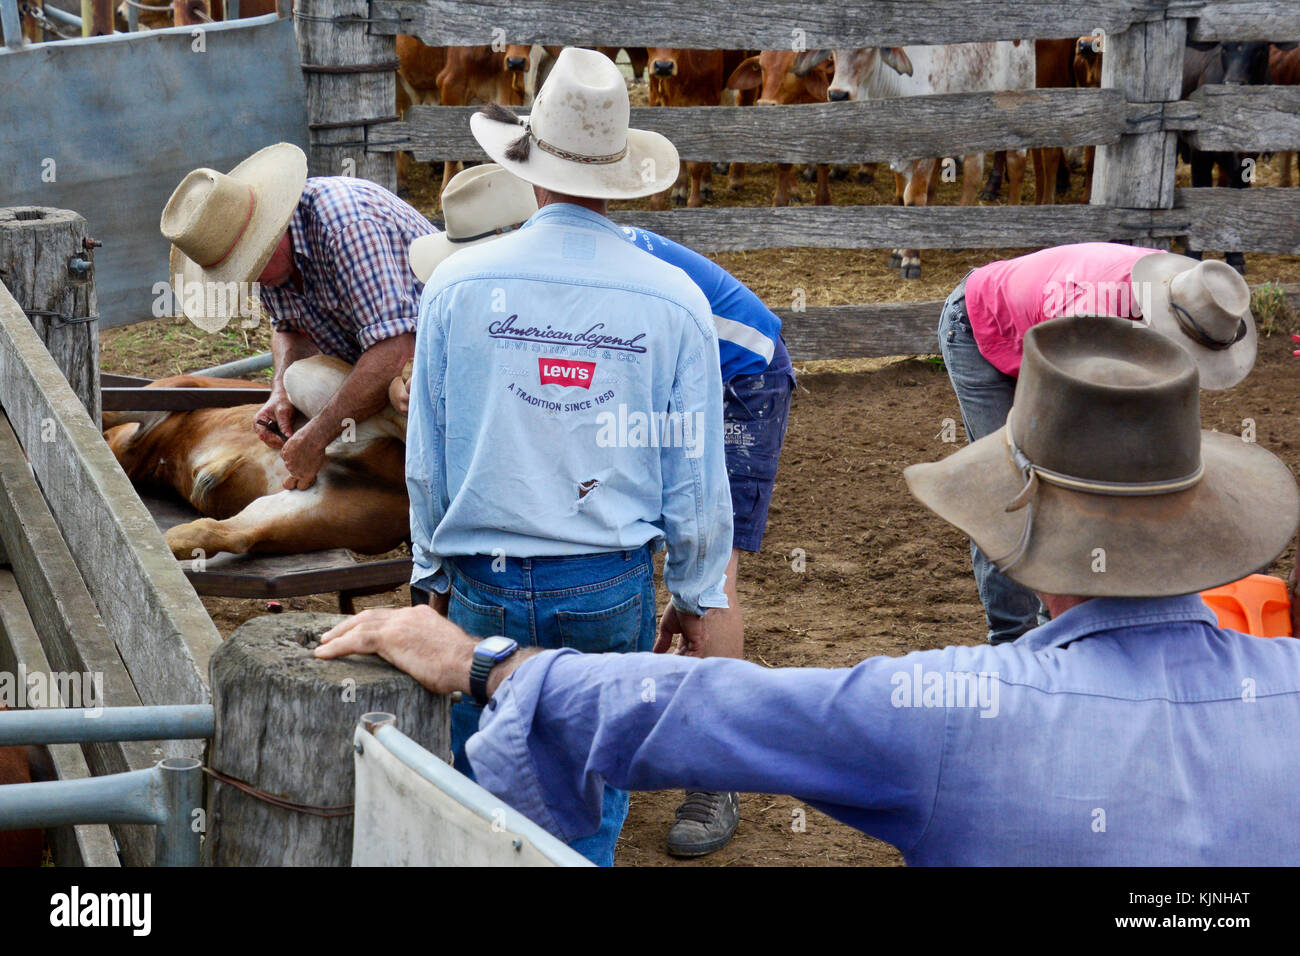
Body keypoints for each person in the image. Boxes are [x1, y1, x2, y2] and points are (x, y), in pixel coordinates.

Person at [317, 315, 1300, 865]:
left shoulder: (958, 711)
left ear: (1012, 540)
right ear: (1198, 524)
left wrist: (484, 658)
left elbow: (714, 706)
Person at [401, 162, 794, 857]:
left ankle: (710, 773)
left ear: (532, 183)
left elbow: (428, 457)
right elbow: (690, 481)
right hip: (603, 576)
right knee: (590, 786)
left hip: (742, 374)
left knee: (478, 772)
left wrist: (431, 575)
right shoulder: (666, 293)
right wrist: (692, 591)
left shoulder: (459, 289)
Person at [939, 242, 1257, 643]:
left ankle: (1058, 626)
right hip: (982, 325)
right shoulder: (1088, 314)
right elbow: (1067, 415)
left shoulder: (1179, 292)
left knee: (1073, 484)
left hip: (1049, 331)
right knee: (1013, 484)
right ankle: (1014, 640)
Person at [160, 143, 436, 492]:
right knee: (298, 378)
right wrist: (279, 393)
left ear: (271, 231)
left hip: (433, 373)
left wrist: (316, 437)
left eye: (250, 265)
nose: (253, 280)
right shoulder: (272, 262)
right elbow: (289, 327)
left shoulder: (346, 227)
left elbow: (394, 350)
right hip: (385, 371)